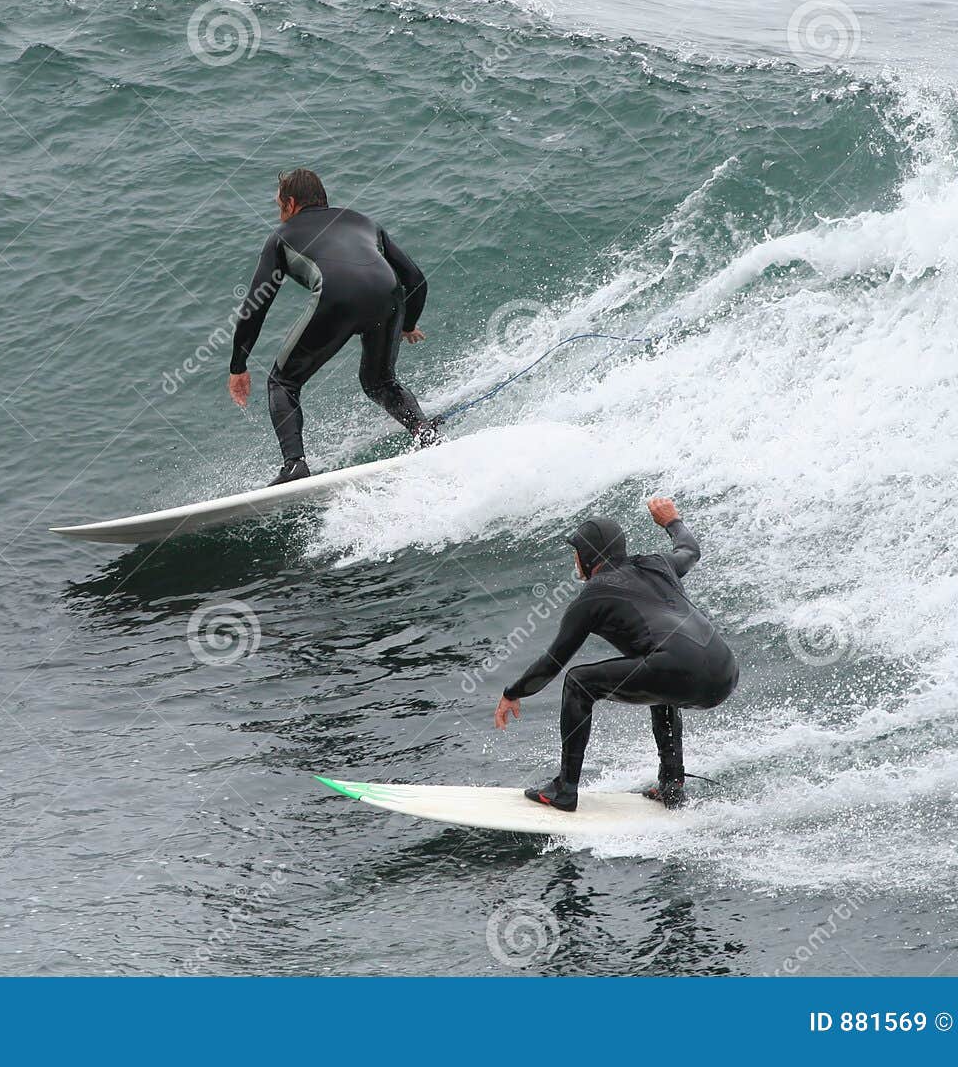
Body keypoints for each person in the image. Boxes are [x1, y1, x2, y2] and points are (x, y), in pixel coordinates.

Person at [493, 496, 738, 811]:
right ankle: (672, 784)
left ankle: (564, 789)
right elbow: (690, 550)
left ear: (587, 555)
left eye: (575, 554)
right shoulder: (658, 564)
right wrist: (672, 521)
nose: (574, 561)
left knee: (579, 683)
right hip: (725, 670)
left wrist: (513, 692)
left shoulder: (593, 596)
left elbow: (553, 661)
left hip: (681, 671)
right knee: (660, 678)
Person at [227, 168, 438, 485]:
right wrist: (407, 322)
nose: (279, 213)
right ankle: (425, 433)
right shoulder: (364, 221)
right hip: (389, 293)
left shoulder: (280, 239)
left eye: (279, 205)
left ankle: (295, 465)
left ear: (292, 203)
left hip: (336, 296)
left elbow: (256, 304)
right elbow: (416, 280)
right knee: (379, 381)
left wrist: (238, 365)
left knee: (283, 383)